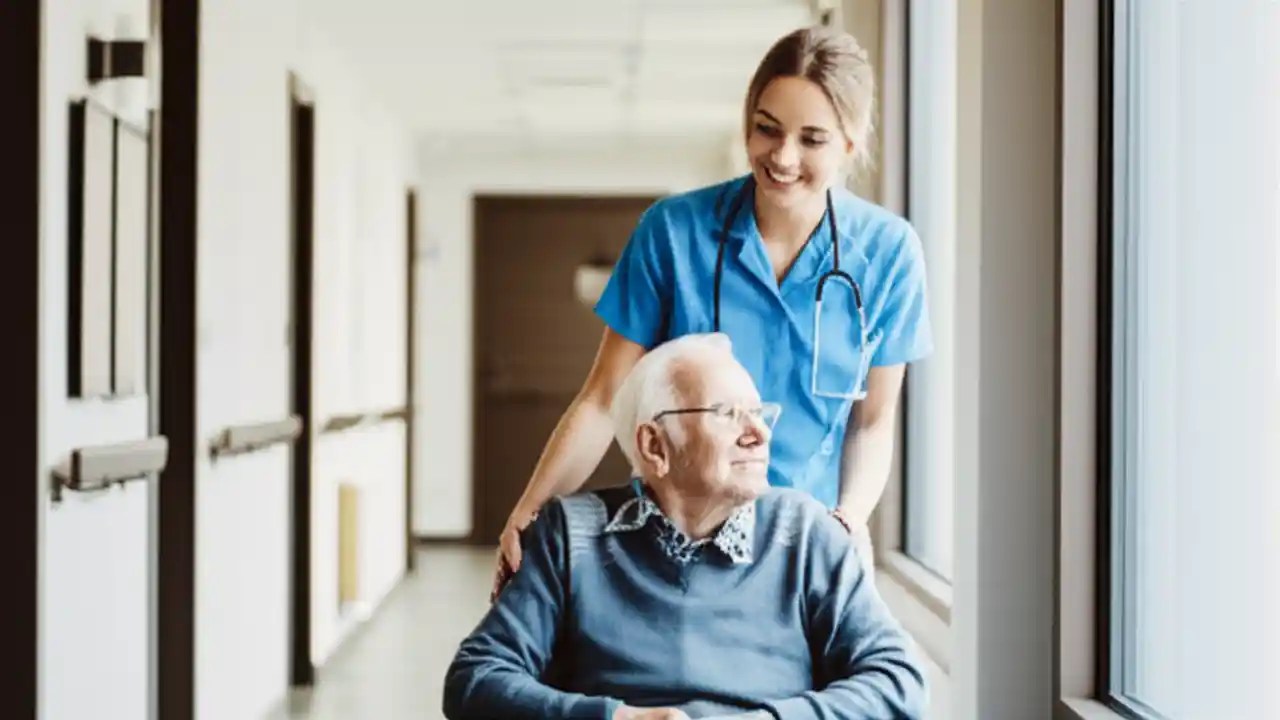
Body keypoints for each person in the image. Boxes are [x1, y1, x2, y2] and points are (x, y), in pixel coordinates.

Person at [494, 25, 932, 595]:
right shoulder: (674, 233)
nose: (783, 157)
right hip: (674, 544)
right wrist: (528, 510)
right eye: (767, 128)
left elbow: (871, 422)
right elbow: (603, 399)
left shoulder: (888, 254)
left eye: (812, 139)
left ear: (849, 145)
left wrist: (849, 518)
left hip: (805, 549)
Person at [447, 334, 927, 720]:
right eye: (728, 414)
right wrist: (614, 718)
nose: (759, 433)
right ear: (654, 446)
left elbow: (897, 680)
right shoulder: (571, 534)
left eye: (759, 413)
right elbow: (475, 678)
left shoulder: (807, 534)